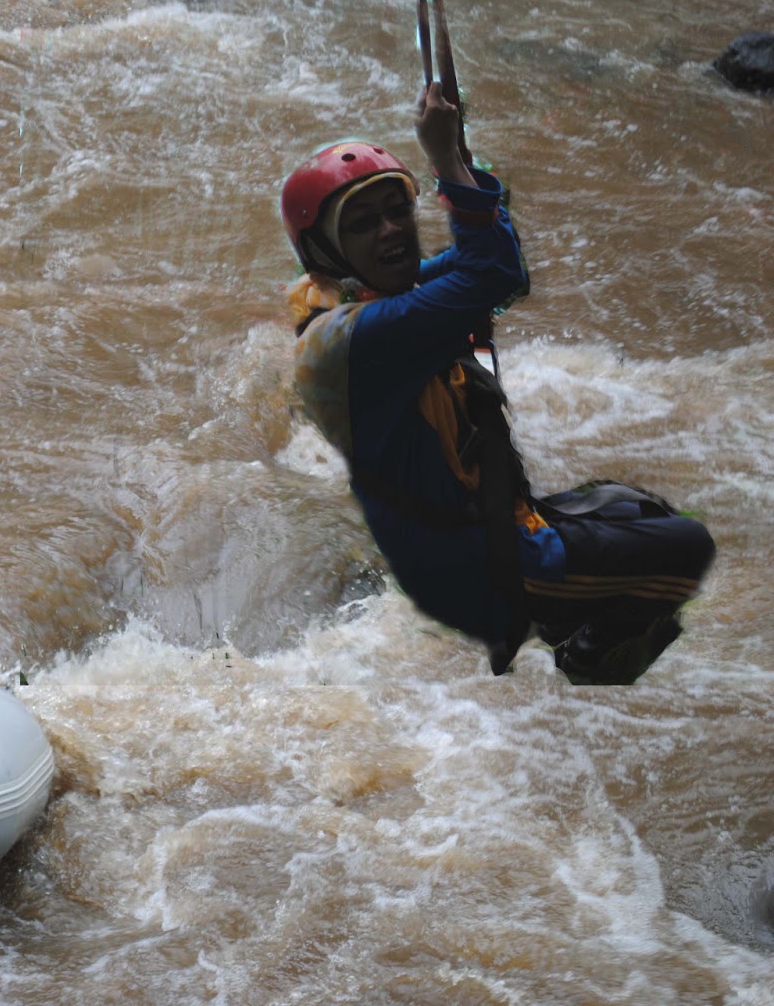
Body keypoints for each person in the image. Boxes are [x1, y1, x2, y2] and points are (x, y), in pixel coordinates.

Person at [281, 82, 715, 684]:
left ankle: (574, 628)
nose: (390, 230)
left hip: (473, 527)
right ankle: (588, 665)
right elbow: (494, 269)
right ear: (326, 249)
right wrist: (444, 163)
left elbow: (494, 268)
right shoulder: (355, 338)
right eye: (362, 223)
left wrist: (461, 159)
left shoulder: (374, 296)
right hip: (474, 561)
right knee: (688, 546)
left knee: (640, 508)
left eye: (397, 210)